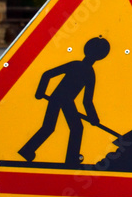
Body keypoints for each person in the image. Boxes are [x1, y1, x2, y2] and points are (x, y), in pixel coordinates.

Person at [18, 36, 110, 165]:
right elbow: (86, 101)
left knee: (51, 127)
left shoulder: (76, 65)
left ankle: (27, 150)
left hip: (60, 99)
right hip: (63, 100)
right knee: (74, 128)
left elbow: (47, 75)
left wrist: (40, 91)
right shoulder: (89, 72)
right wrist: (93, 118)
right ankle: (71, 159)